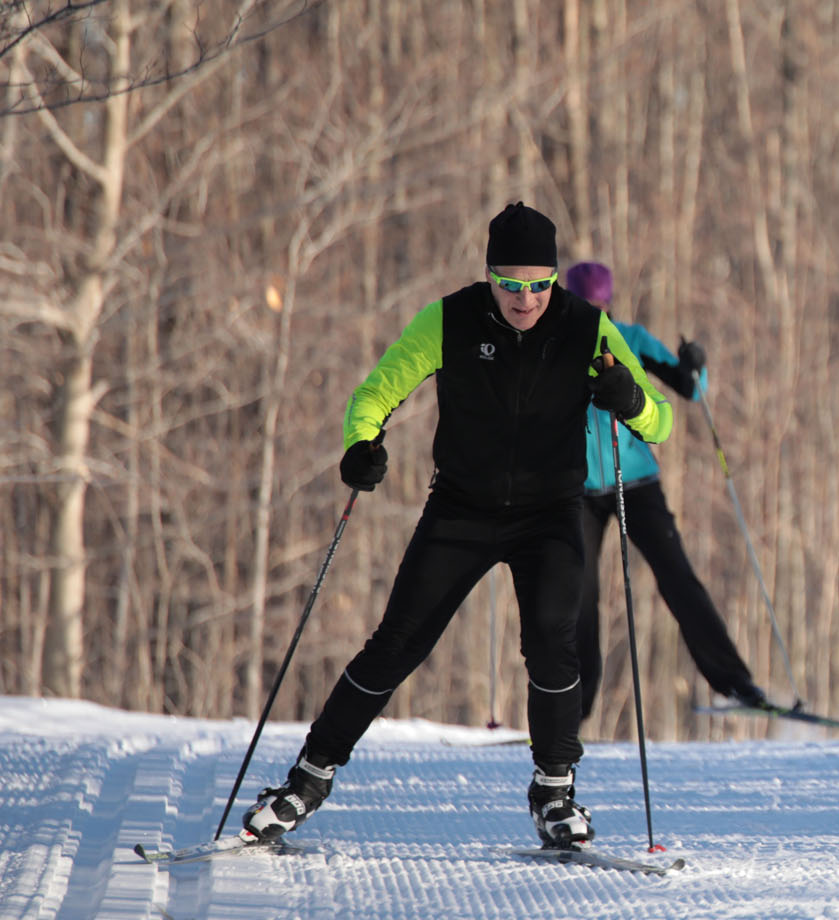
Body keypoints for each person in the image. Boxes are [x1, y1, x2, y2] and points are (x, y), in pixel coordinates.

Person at [243, 203, 673, 849]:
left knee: (554, 638)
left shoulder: (589, 328)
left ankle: (555, 793)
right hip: (462, 508)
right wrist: (362, 445)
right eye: (509, 283)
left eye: (537, 285)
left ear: (555, 279)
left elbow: (659, 421)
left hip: (550, 513)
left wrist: (631, 400)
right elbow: (374, 396)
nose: (524, 299)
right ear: (488, 275)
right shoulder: (448, 318)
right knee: (396, 643)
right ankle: (306, 780)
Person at [565, 261, 768, 717]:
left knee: (677, 577)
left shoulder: (631, 339)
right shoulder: (556, 346)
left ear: (609, 302)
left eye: (600, 305)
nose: (594, 312)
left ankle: (734, 683)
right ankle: (571, 712)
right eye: (584, 304)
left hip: (636, 481)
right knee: (579, 597)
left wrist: (696, 365)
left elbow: (687, 387)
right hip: (577, 491)